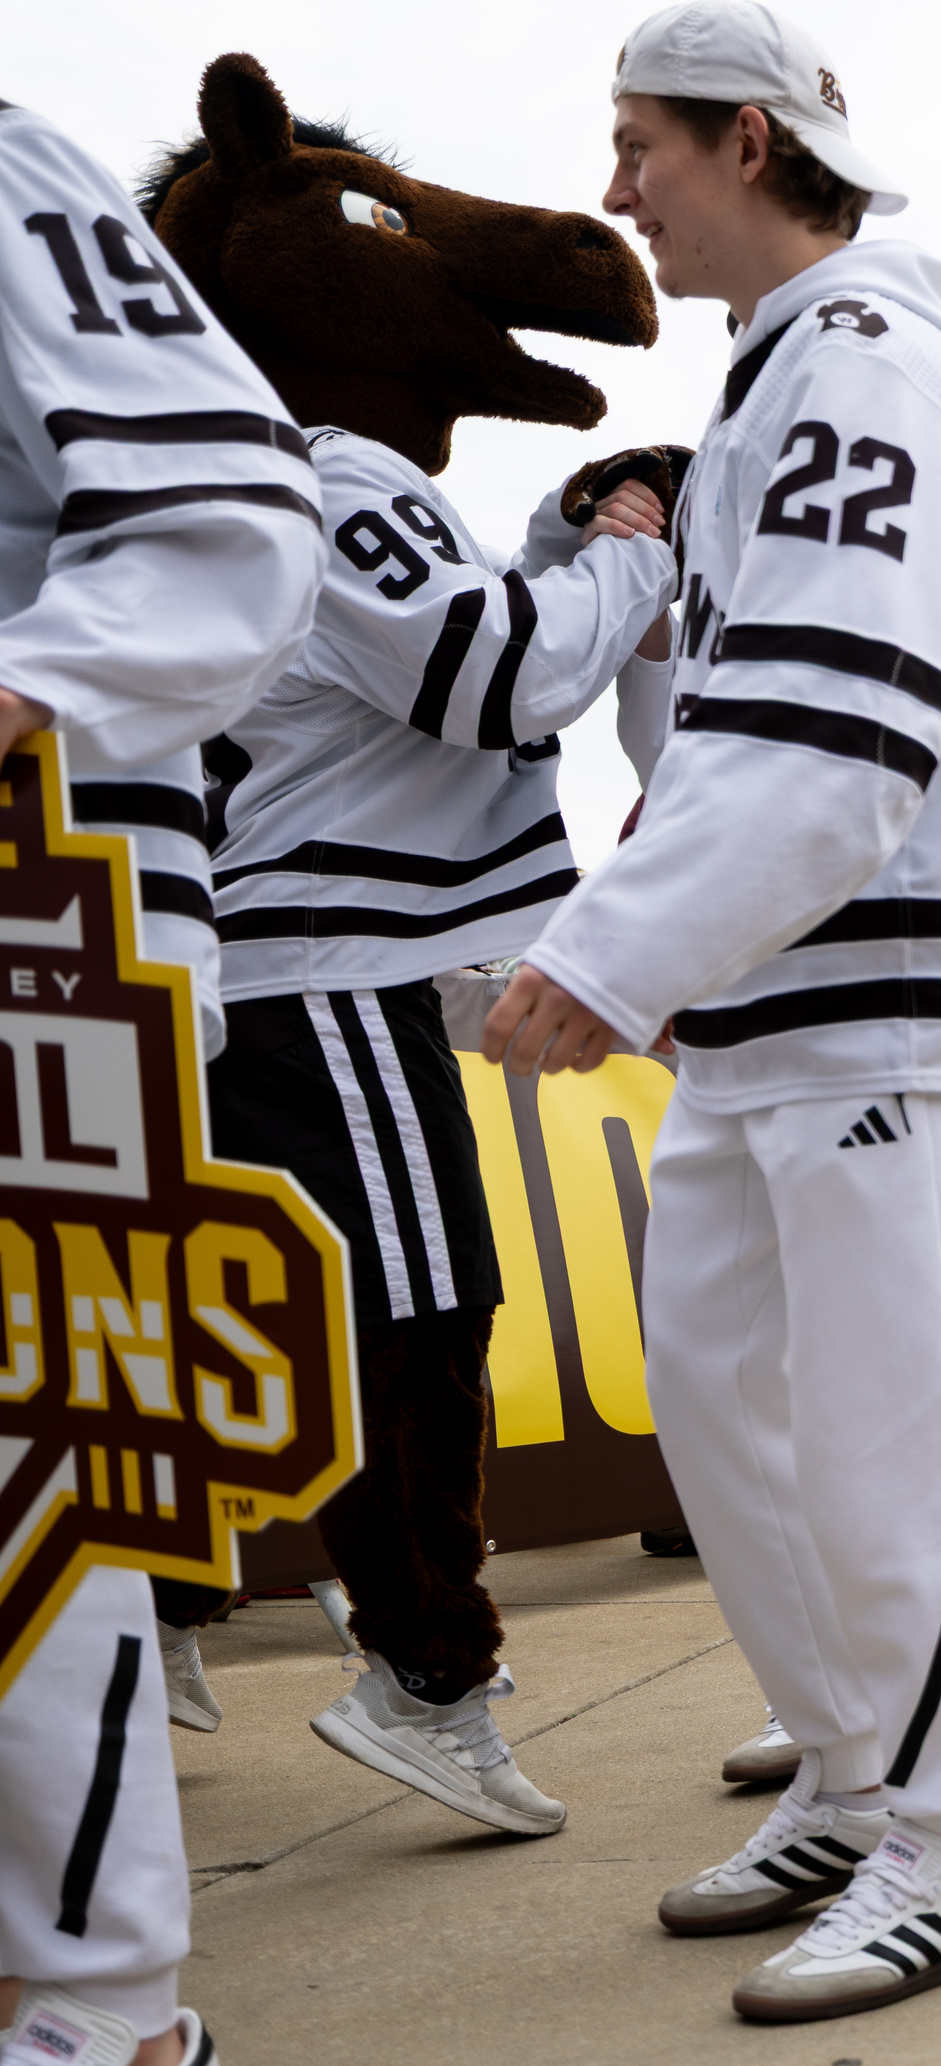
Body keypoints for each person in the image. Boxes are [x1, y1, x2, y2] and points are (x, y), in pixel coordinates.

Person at [484, 6, 941, 2020]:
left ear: (746, 140)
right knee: (729, 1406)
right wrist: (653, 939)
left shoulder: (862, 361)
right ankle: (852, 1767)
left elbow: (835, 734)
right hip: (783, 999)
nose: (614, 185)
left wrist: (610, 950)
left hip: (888, 992)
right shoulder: (779, 382)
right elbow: (752, 724)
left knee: (889, 1434)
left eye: (635, 141)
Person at [135, 62, 682, 1836]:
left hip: (266, 962)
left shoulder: (245, 472)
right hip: (325, 965)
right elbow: (497, 675)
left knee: (278, 1304)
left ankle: (153, 1605)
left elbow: (434, 661)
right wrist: (630, 555)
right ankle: (427, 1672)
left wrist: (549, 549)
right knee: (418, 1311)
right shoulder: (321, 460)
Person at [0, 90, 321, 2066]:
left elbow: (225, 502)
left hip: (41, 909)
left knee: (34, 1460)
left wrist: (29, 685)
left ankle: (106, 2007)